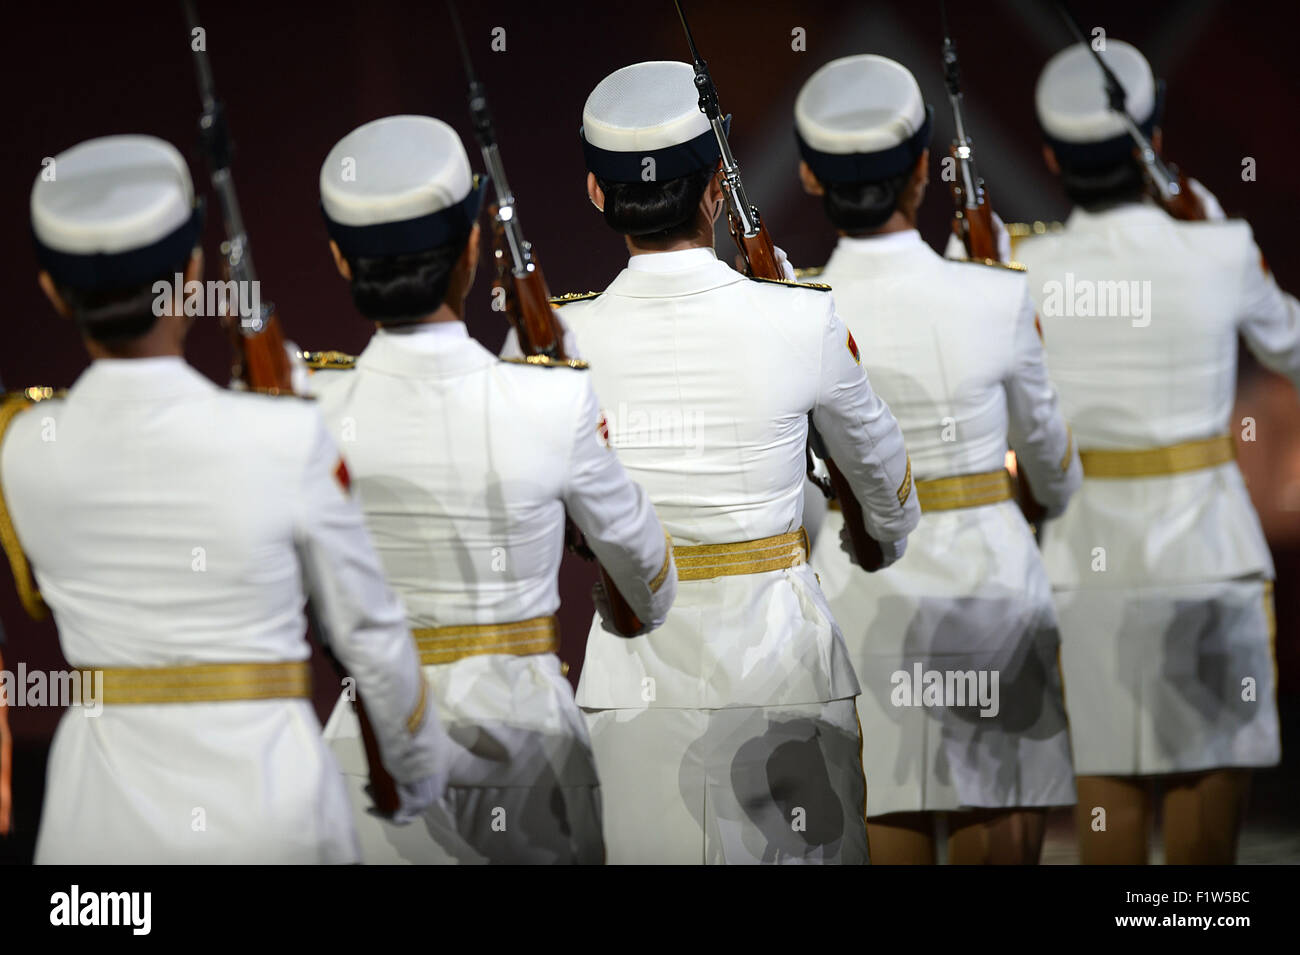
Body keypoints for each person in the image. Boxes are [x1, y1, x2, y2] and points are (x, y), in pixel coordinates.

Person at [1, 134, 443, 863]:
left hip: (96, 833)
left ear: (53, 290)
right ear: (192, 270)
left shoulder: (19, 446)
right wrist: (416, 773)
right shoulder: (283, 434)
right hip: (266, 817)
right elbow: (368, 630)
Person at [529, 60, 920, 864]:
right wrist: (868, 538)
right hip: (785, 681)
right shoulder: (801, 318)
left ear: (598, 194)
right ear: (717, 185)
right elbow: (887, 498)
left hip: (631, 690)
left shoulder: (555, 346)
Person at [308, 115, 677, 864]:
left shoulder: (309, 413)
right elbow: (650, 582)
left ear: (342, 261)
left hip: (366, 752)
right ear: (473, 245)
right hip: (527, 756)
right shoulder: (549, 400)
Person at [1013, 40, 1300, 864]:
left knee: (1111, 820)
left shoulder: (1025, 267)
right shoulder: (1221, 247)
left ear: (1051, 157)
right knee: (1206, 861)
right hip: (1210, 560)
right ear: (1155, 144)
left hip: (1089, 571)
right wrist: (1215, 230)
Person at [791, 54, 1081, 864]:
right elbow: (1054, 470)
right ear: (922, 169)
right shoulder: (998, 293)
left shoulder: (797, 312)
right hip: (994, 599)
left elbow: (804, 492)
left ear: (811, 179)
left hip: (863, 600)